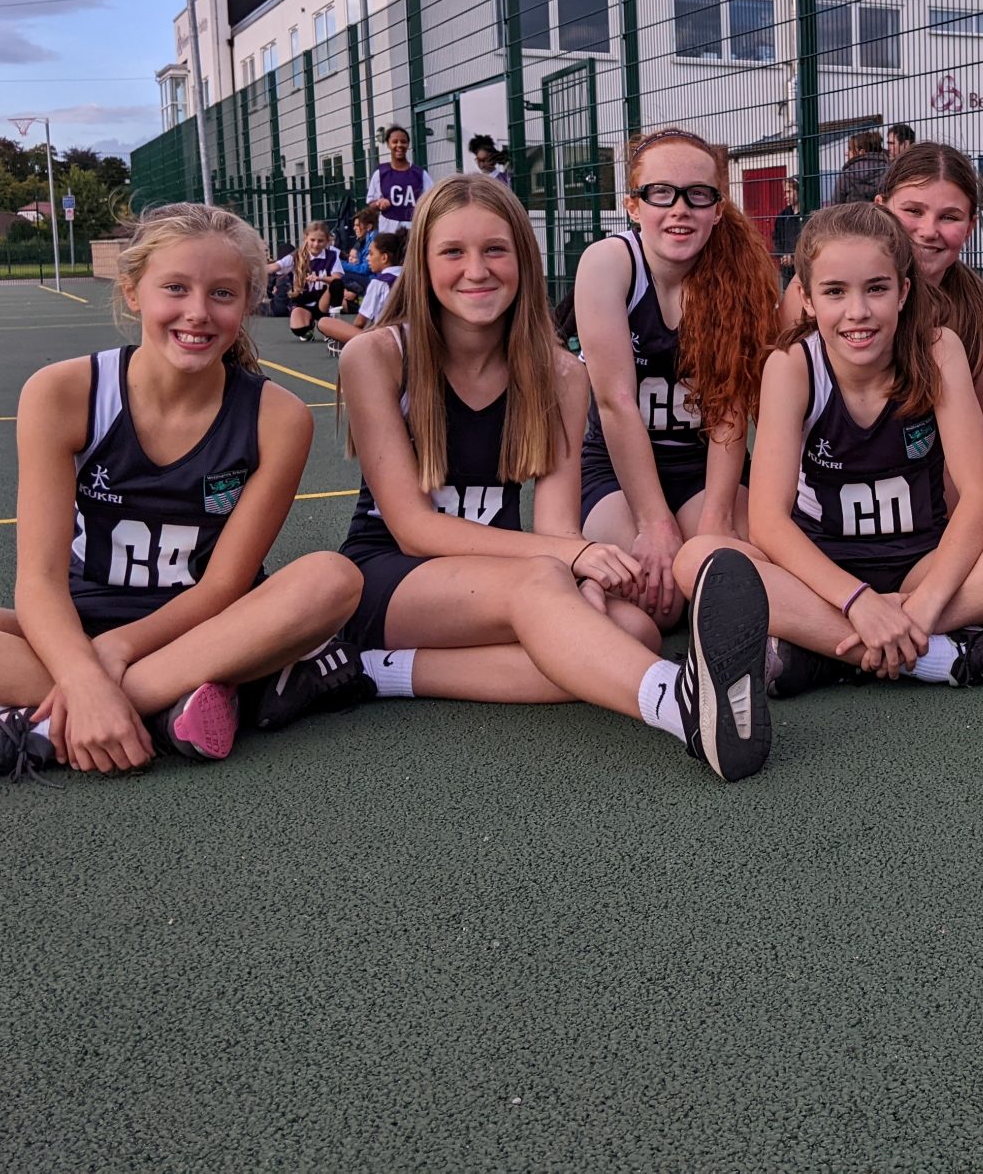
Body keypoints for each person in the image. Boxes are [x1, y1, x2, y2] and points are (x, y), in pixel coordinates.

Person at [264, 174, 775, 781]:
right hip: (392, 577)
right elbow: (413, 529)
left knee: (630, 631)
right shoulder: (377, 357)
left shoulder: (560, 374)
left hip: (501, 575)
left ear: (523, 261)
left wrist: (576, 572)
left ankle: (375, 671)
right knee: (556, 603)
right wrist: (571, 558)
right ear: (423, 263)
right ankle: (680, 702)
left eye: (495, 250)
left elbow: (558, 523)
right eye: (453, 252)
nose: (476, 270)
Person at [0, 204, 362, 787]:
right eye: (175, 288)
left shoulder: (276, 416)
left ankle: (35, 730)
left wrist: (110, 660)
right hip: (80, 624)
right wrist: (80, 666)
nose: (197, 313)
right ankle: (182, 700)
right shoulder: (63, 392)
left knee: (333, 579)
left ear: (249, 301)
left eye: (223, 294)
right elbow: (40, 582)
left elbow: (225, 586)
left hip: (205, 631)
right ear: (132, 290)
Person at [674, 201, 983, 697]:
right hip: (824, 574)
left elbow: (980, 497)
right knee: (699, 560)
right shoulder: (792, 366)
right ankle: (943, 657)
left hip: (924, 564)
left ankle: (828, 655)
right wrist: (858, 603)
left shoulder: (937, 348)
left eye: (876, 289)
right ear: (807, 298)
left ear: (903, 291)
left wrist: (920, 608)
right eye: (835, 292)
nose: (857, 311)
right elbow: (770, 521)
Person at [574, 130, 780, 645]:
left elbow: (730, 410)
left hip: (700, 464)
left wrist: (713, 522)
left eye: (698, 194)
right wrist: (654, 523)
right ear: (633, 205)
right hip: (617, 469)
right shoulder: (608, 262)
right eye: (660, 193)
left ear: (717, 206)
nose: (680, 209)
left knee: (732, 562)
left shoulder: (739, 275)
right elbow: (615, 402)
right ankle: (582, 583)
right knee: (659, 605)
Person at [778, 142, 983, 414]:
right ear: (881, 208)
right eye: (913, 211)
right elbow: (778, 402)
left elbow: (973, 435)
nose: (929, 230)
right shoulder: (808, 294)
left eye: (949, 217)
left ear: (970, 227)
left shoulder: (976, 322)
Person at [317, 229, 404, 352]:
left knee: (324, 323)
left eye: (371, 254)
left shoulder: (379, 283)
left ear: (384, 258)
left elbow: (360, 322)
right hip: (414, 339)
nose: (368, 258)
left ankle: (358, 347)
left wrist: (347, 337)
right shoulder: (413, 278)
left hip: (388, 342)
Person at [272, 220, 340, 340]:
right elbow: (275, 266)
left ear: (327, 241)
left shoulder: (332, 255)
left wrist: (320, 278)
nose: (316, 244)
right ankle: (310, 325)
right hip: (303, 301)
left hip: (323, 301)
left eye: (320, 241)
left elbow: (337, 278)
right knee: (299, 329)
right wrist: (254, 267)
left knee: (336, 284)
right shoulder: (296, 256)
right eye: (312, 240)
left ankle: (331, 325)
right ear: (306, 238)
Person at [366, 124, 433, 235]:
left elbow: (432, 199)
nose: (399, 145)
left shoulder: (420, 174)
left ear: (408, 145)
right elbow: (371, 204)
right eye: (395, 142)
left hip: (413, 231)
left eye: (403, 141)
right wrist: (379, 203)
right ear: (388, 144)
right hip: (388, 233)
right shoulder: (381, 174)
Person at [328, 207, 380, 312]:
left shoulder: (375, 240)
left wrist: (339, 264)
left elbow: (365, 269)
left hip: (373, 280)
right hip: (369, 279)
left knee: (339, 275)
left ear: (369, 226)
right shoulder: (368, 239)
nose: (355, 228)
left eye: (357, 225)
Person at [832, 128, 892, 205]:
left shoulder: (847, 175)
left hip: (854, 216)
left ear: (862, 152)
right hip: (881, 216)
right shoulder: (889, 172)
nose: (846, 153)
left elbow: (835, 206)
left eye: (850, 149)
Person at [771, 176, 802, 274]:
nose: (786, 196)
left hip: (803, 267)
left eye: (789, 192)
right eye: (785, 192)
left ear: (799, 191)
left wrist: (793, 258)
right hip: (787, 269)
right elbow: (777, 238)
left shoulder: (808, 215)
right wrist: (782, 255)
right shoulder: (783, 216)